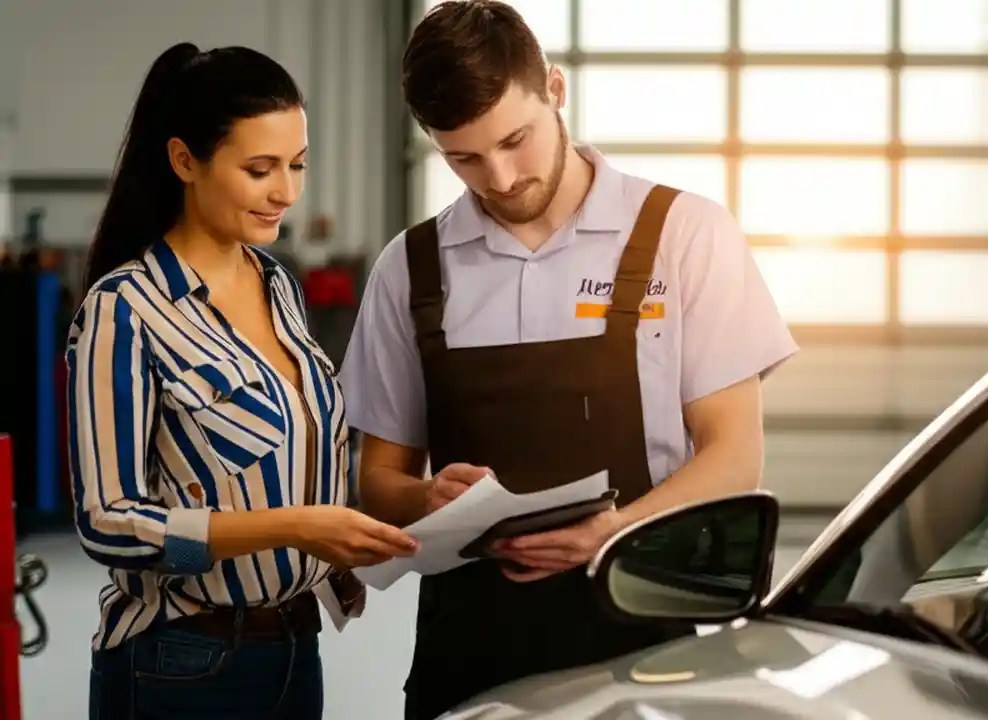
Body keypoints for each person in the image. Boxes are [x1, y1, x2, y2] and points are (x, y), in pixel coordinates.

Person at [337, 1, 799, 716]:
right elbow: (380, 481)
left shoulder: (683, 234)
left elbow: (734, 455)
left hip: (645, 641)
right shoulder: (411, 268)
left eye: (515, 140)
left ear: (555, 89)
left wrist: (609, 533)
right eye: (463, 157)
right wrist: (428, 499)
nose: (499, 177)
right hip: (468, 659)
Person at [68, 42, 418, 720]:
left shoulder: (276, 284)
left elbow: (286, 454)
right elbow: (108, 522)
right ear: (183, 161)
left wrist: (342, 548)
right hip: (183, 665)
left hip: (293, 648)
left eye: (297, 165)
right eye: (260, 169)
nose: (286, 191)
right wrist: (297, 527)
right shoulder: (126, 309)